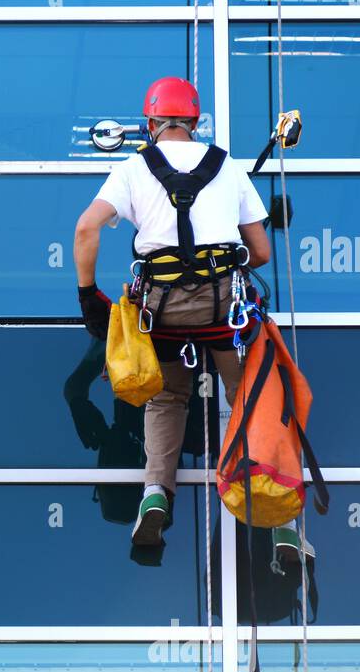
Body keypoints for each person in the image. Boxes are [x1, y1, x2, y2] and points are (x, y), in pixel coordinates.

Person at [73, 76, 271, 547]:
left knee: (165, 399)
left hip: (160, 312)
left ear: (150, 123)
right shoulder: (228, 168)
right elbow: (260, 252)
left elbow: (86, 228)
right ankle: (270, 499)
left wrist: (88, 296)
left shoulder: (133, 169)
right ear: (196, 123)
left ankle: (156, 494)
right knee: (249, 394)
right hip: (222, 310)